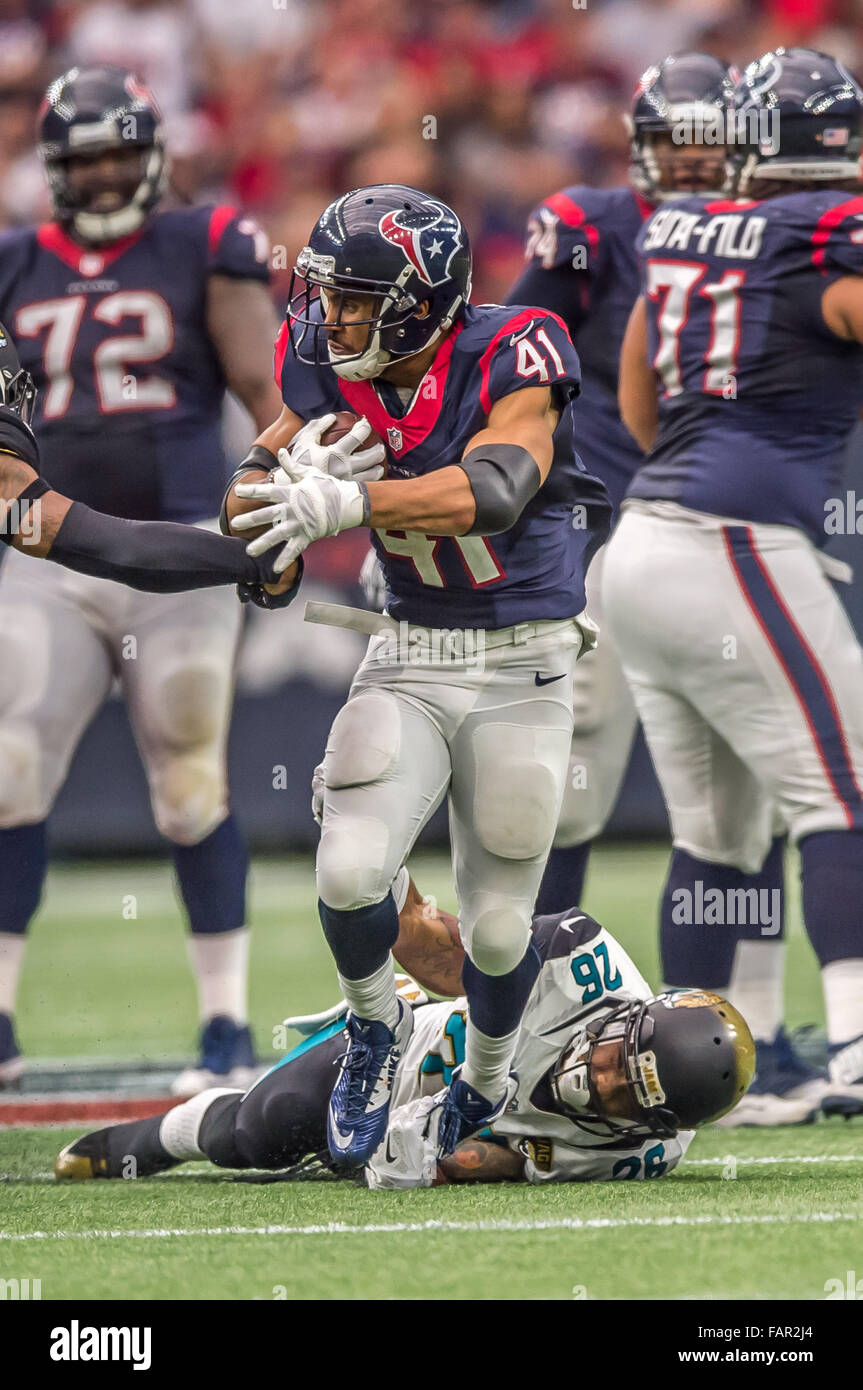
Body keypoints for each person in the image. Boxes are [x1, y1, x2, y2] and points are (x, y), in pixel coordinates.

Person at [225, 182, 612, 1167]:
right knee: (351, 870)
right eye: (326, 291)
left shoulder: (514, 345)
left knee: (492, 931)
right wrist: (261, 507)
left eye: (353, 297)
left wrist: (350, 502)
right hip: (411, 645)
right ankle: (371, 1028)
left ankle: (485, 1078)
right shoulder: (320, 359)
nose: (329, 315)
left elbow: (497, 486)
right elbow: (268, 457)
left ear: (419, 299)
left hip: (522, 656)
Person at [0, 65, 286, 1095]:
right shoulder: (12, 260)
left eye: (122, 151)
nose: (109, 172)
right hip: (51, 554)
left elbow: (264, 388)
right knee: (10, 770)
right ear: (57, 168)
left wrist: (284, 503)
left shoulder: (203, 241)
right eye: (88, 158)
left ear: (154, 152)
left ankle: (222, 1020)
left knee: (187, 785)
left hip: (179, 544)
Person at [606, 47, 863, 1123]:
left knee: (716, 836)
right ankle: (854, 1045)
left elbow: (633, 401)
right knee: (845, 793)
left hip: (638, 546)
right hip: (731, 543)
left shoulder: (678, 230)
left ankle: (698, 1067)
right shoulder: (822, 232)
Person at [54, 869, 755, 1187]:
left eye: (626, 1095)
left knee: (343, 1161)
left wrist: (430, 1157)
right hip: (412, 1045)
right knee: (261, 1134)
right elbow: (446, 958)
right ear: (629, 1017)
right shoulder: (579, 962)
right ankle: (149, 1140)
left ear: (656, 1125)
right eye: (614, 1058)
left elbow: (508, 1162)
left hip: (454, 1116)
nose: (597, 1079)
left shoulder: (649, 1156)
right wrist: (381, 877)